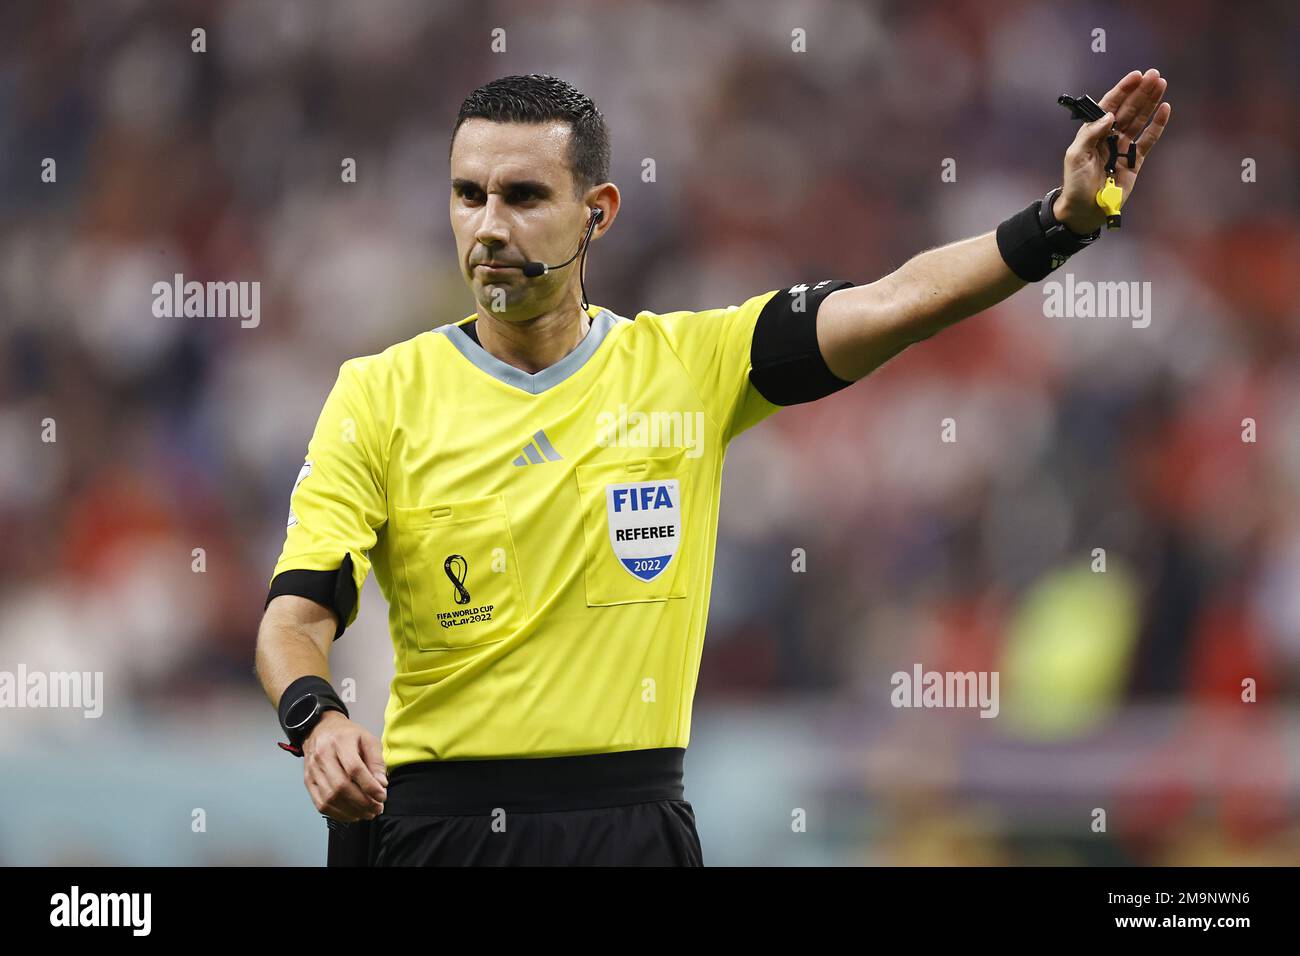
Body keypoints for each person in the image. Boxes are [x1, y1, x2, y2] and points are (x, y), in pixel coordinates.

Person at [254, 70, 1171, 866]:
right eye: (467, 195)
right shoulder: (379, 393)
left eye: (524, 197)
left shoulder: (692, 367)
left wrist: (1061, 222)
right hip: (436, 830)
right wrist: (317, 718)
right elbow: (292, 619)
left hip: (631, 829)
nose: (489, 226)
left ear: (597, 212)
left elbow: (895, 303)